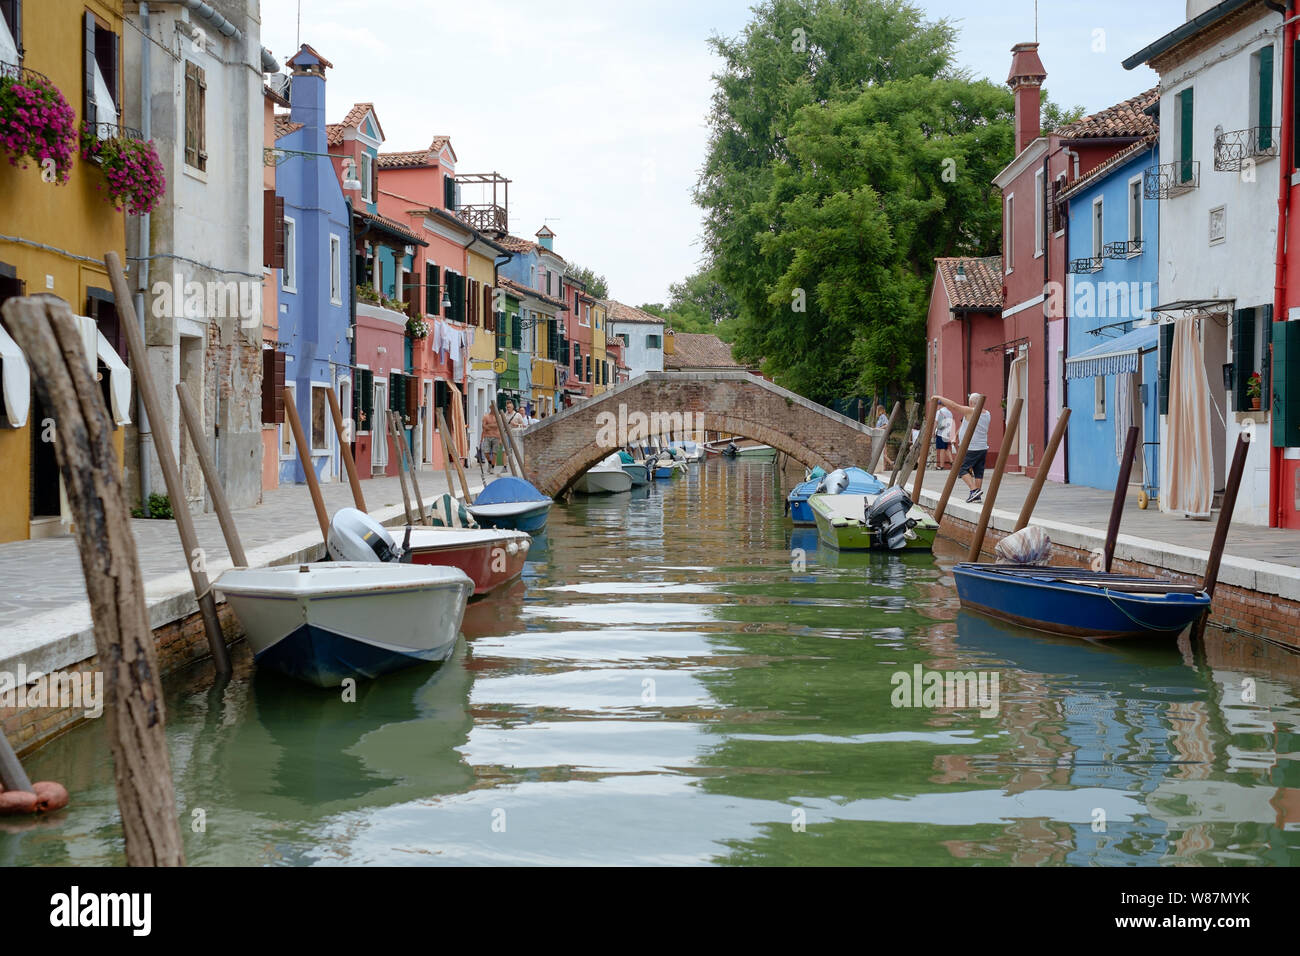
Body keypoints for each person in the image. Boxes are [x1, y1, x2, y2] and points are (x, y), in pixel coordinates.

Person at [937, 394, 990, 502]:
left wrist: (938, 397)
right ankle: (977, 496)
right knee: (978, 472)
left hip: (971, 447)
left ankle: (974, 490)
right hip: (982, 447)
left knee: (961, 469)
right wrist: (956, 435)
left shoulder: (971, 411)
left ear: (971, 403)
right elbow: (965, 425)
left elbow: (954, 406)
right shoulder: (987, 413)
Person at [480, 405, 502, 473]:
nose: (493, 409)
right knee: (486, 452)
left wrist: (488, 426)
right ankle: (489, 462)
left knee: (494, 453)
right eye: (492, 408)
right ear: (490, 408)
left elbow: (499, 426)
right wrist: (493, 426)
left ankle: (492, 467)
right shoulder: (486, 416)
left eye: (495, 408)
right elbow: (483, 426)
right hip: (487, 436)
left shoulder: (499, 417)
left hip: (496, 436)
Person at [934, 403, 955, 469]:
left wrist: (933, 432)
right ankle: (952, 462)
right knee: (946, 448)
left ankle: (941, 466)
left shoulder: (939, 412)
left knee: (941, 449)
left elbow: (936, 422)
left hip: (940, 432)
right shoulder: (950, 413)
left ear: (940, 405)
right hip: (947, 433)